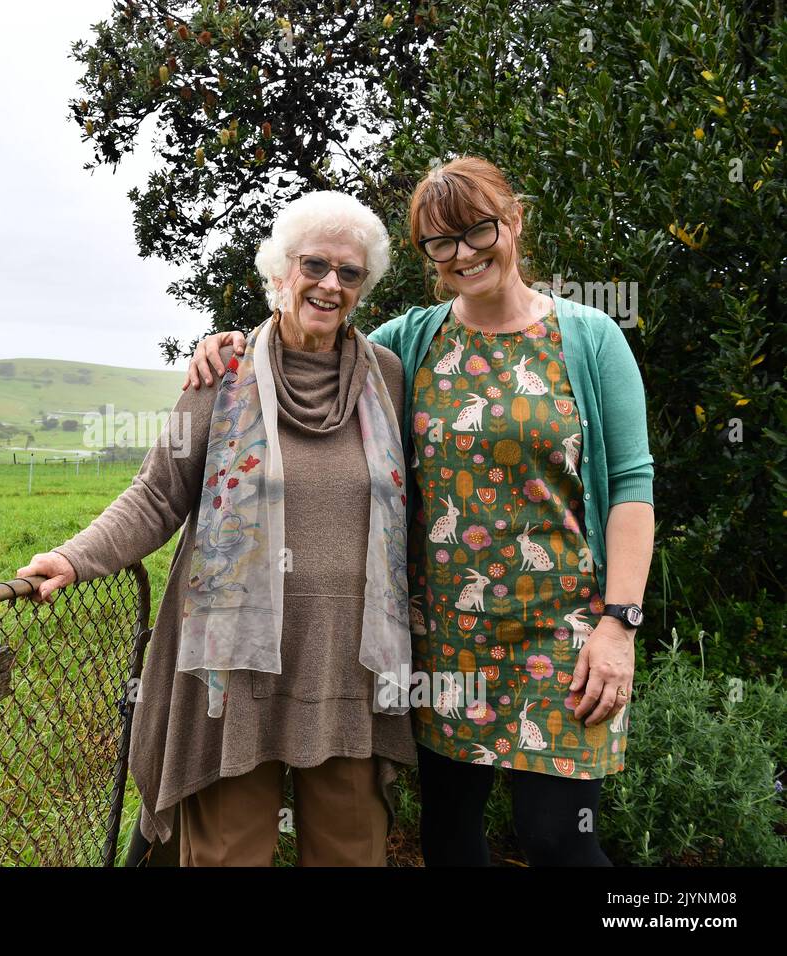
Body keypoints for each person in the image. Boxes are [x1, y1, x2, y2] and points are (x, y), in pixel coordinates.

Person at [182, 157, 655, 866]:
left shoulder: (588, 339)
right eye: (441, 242)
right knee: (451, 839)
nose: (463, 253)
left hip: (566, 637)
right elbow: (309, 340)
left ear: (514, 222)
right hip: (445, 642)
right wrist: (228, 344)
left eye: (477, 231)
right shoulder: (411, 342)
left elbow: (632, 487)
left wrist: (620, 624)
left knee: (560, 840)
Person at [17, 191, 416, 866]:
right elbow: (154, 495)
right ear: (277, 276)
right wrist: (73, 558)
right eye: (314, 265)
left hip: (348, 664)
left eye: (350, 273)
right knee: (228, 854)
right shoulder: (219, 375)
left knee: (353, 852)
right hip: (233, 666)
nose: (330, 284)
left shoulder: (387, 375)